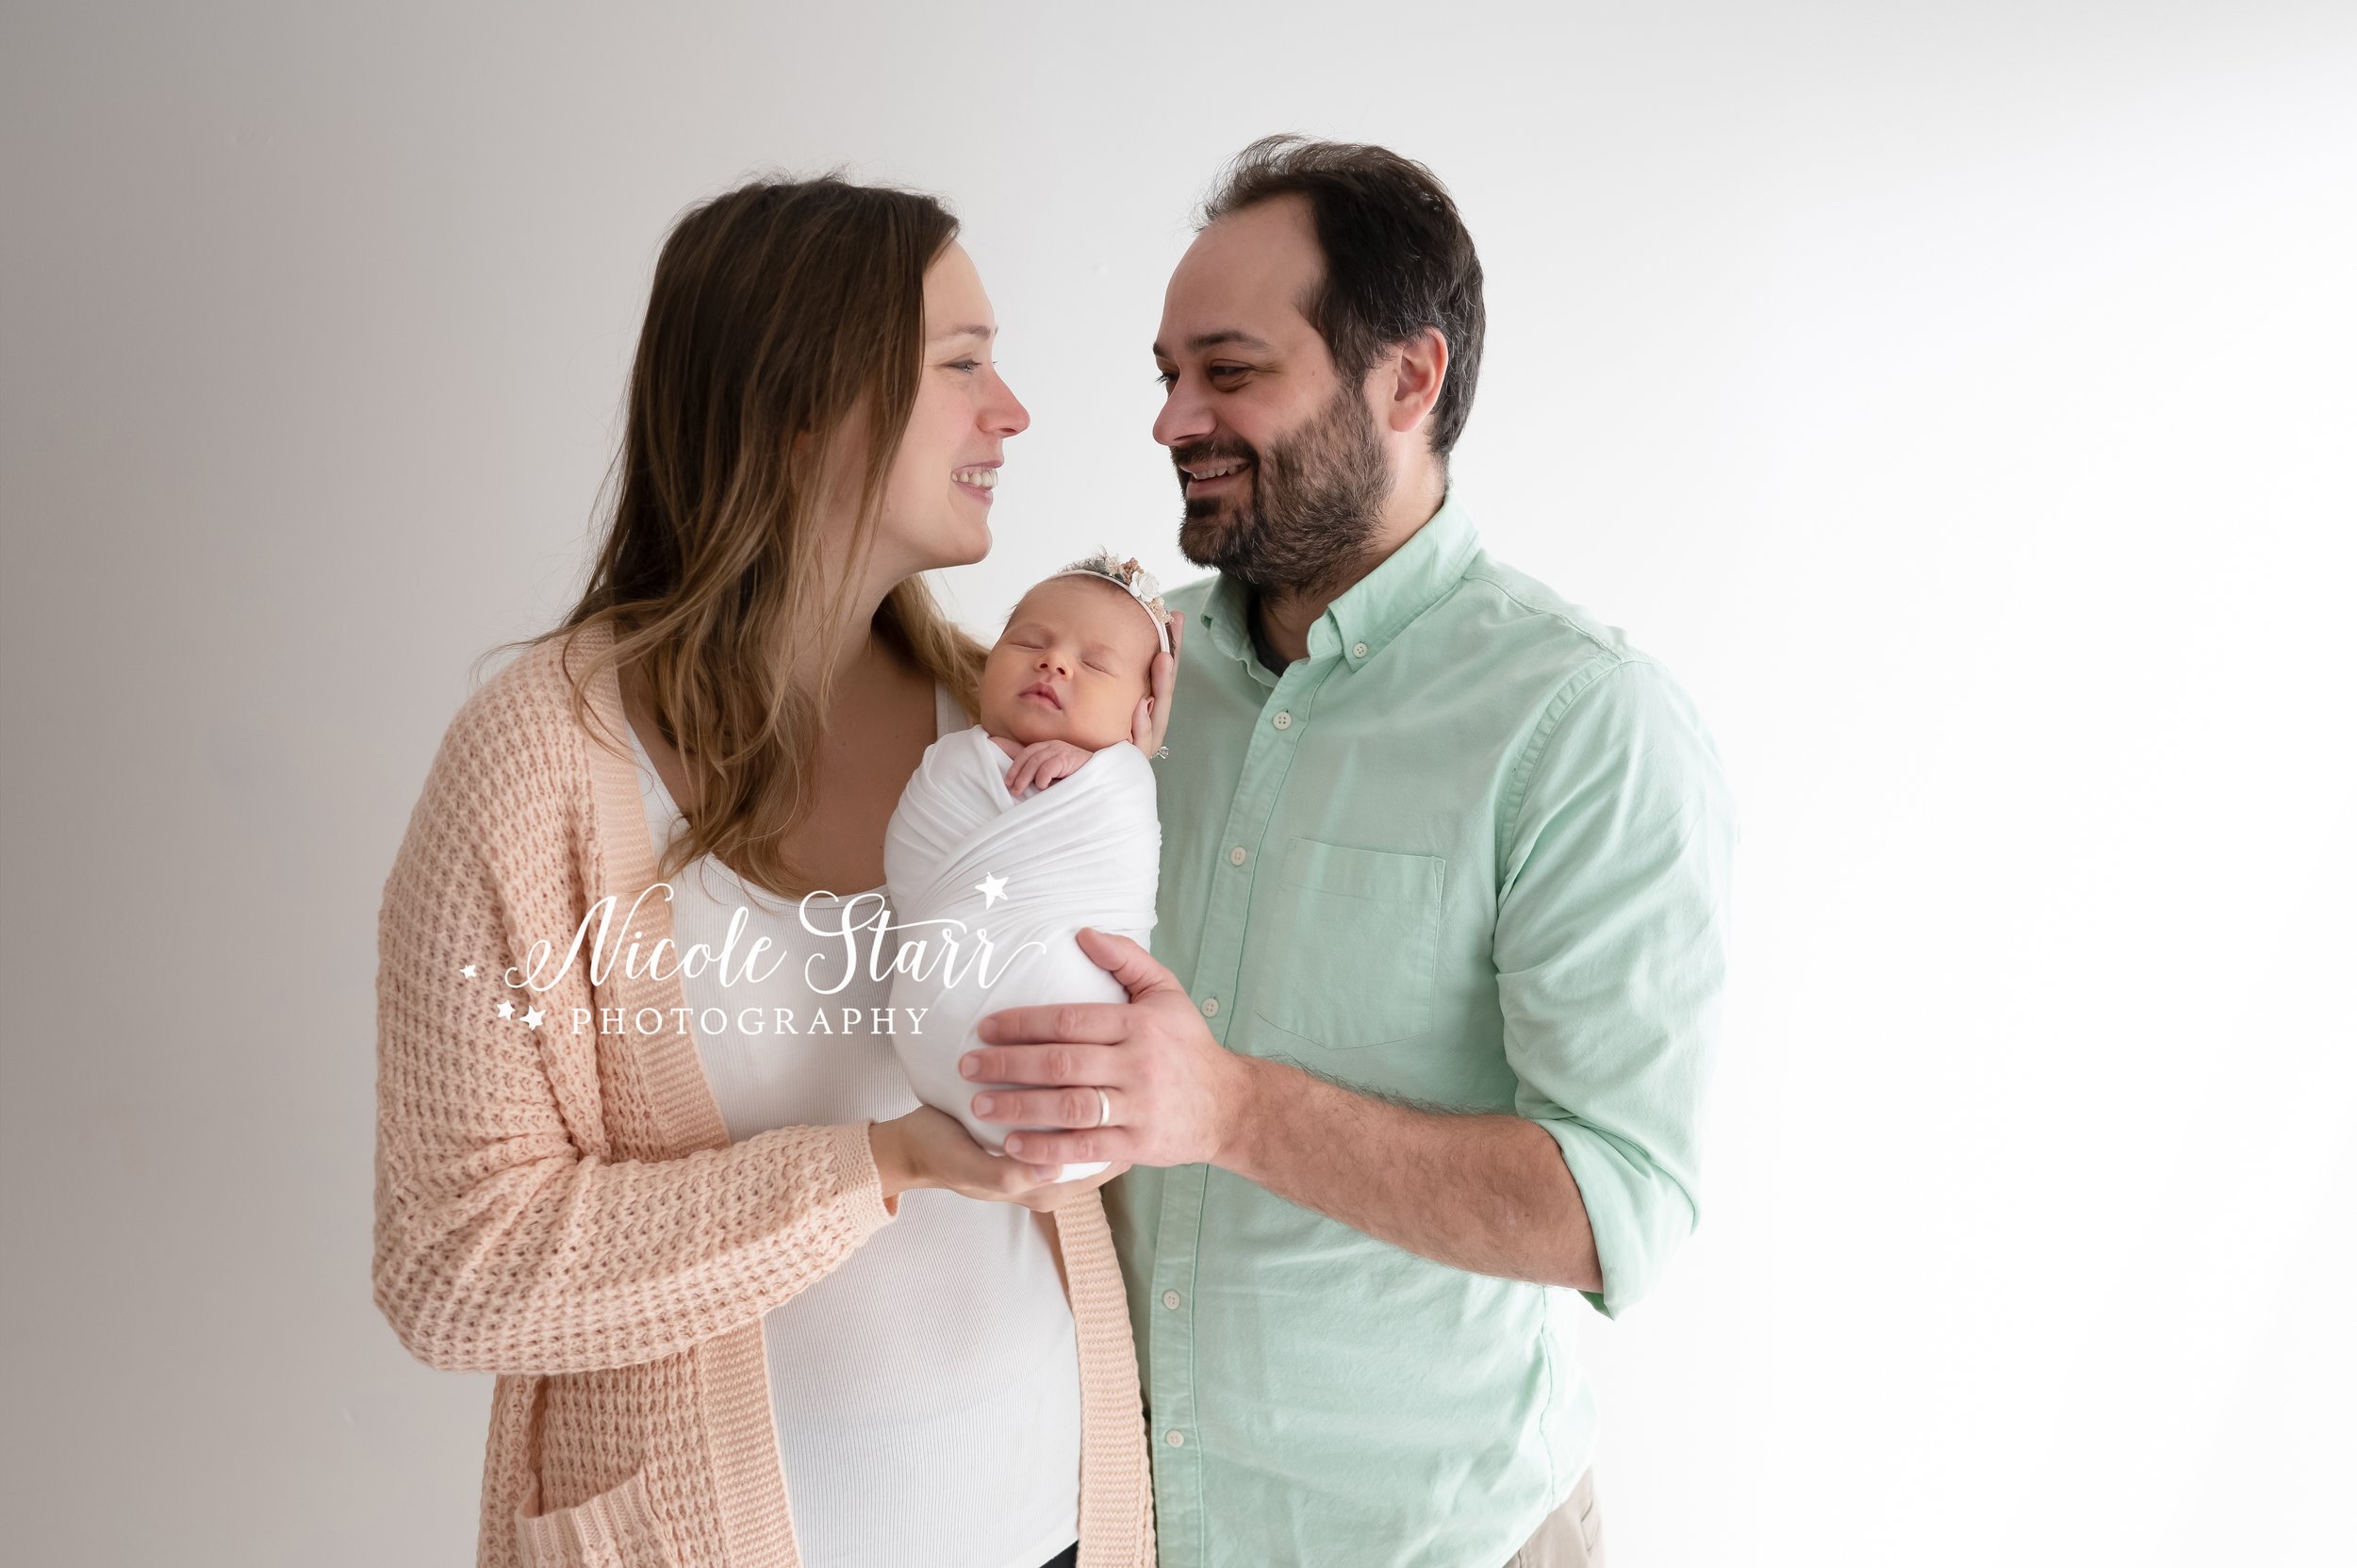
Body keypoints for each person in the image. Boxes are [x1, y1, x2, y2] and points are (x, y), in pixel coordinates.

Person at [959, 136, 1739, 1567]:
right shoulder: (1125, 685)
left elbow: (1615, 1202)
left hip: (1437, 1540)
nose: (1172, 419)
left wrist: (1234, 1109)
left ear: (1410, 379)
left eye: (1231, 371)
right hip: (1104, 1526)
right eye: (1166, 374)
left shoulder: (1583, 722)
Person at [372, 174, 1166, 1568]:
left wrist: (1115, 804)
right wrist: (876, 1163)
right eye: (963, 364)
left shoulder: (1000, 732)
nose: (1014, 410)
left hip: (1063, 1521)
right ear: (807, 399)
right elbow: (457, 1269)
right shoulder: (541, 764)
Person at [882, 553, 1178, 1175]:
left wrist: (1113, 770)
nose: (1055, 661)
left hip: (1076, 1064)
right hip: (931, 1054)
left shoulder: (1117, 783)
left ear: (1142, 716)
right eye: (1027, 641)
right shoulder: (948, 763)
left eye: (1094, 664)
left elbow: (1117, 830)